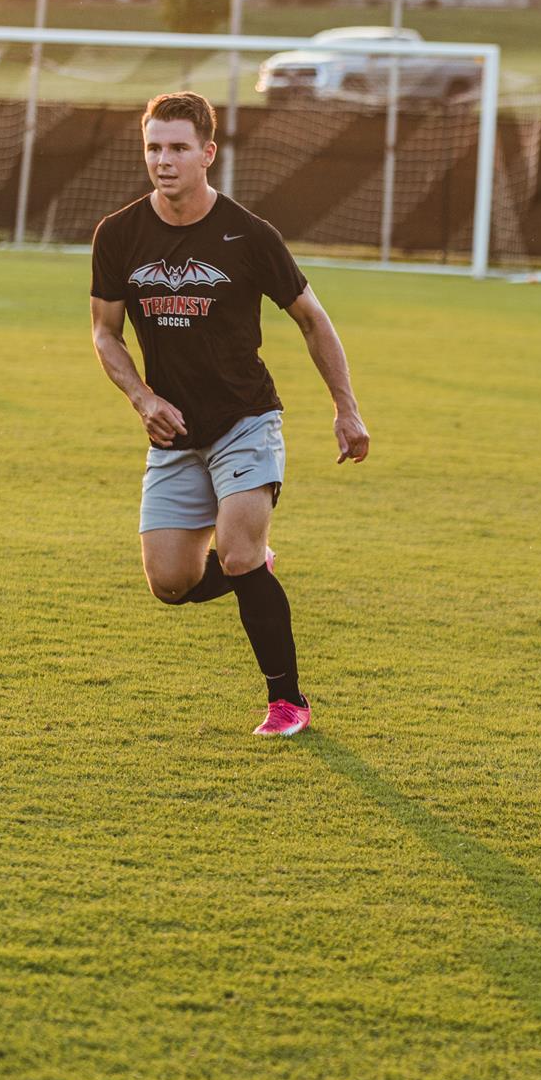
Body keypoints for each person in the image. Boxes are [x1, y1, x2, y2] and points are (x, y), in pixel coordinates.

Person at [89, 91, 369, 737]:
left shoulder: (250, 233)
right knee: (170, 584)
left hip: (246, 419)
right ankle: (257, 566)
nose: (164, 160)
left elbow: (311, 318)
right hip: (174, 432)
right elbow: (105, 332)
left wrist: (346, 410)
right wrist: (142, 397)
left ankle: (287, 702)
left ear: (207, 153)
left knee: (237, 554)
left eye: (179, 147)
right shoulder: (120, 233)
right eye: (154, 147)